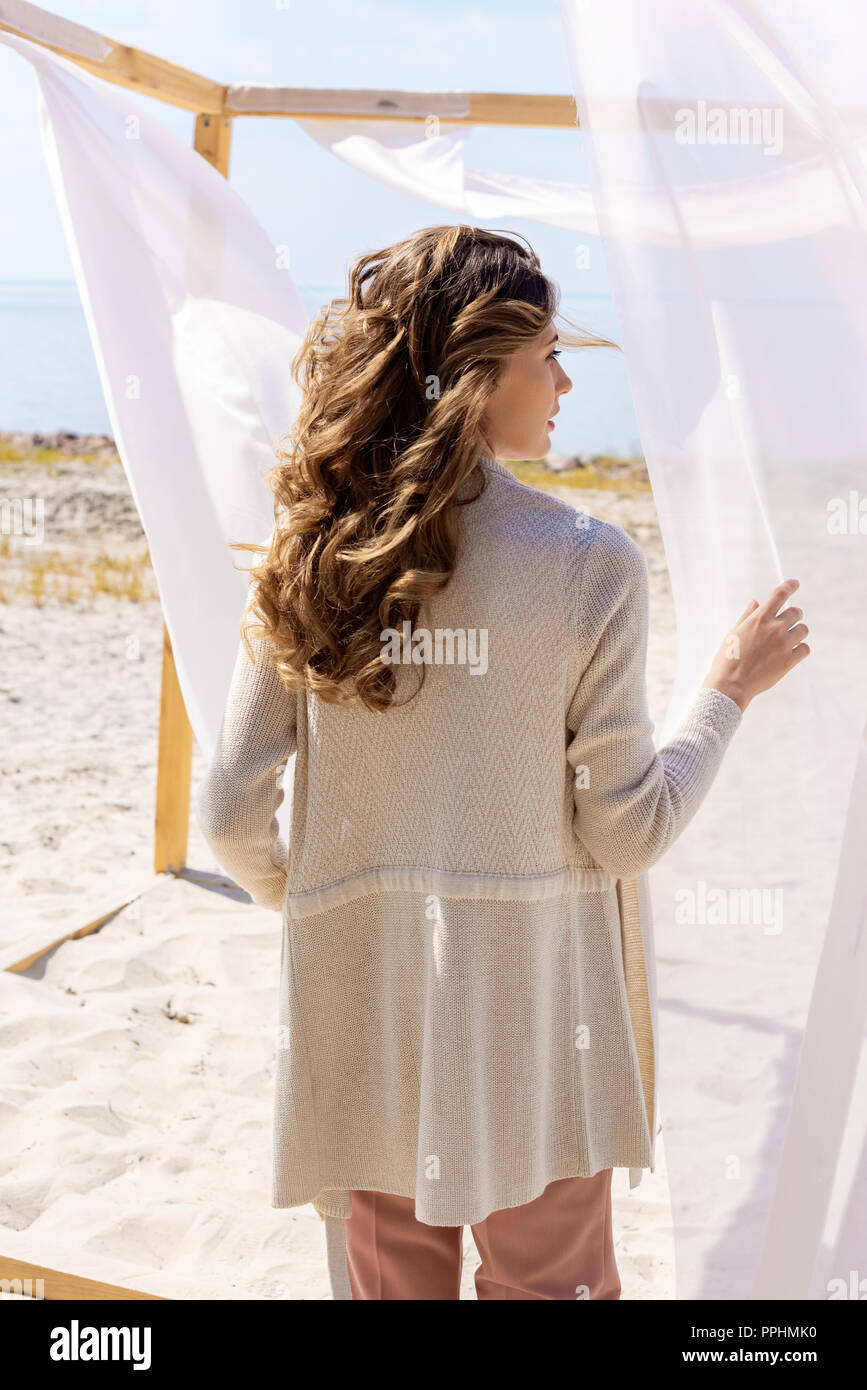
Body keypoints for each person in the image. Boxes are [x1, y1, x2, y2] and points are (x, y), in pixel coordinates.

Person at [196, 224, 810, 1300]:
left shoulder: (307, 554)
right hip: (539, 1032)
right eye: (548, 357)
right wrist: (727, 693)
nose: (567, 382)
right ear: (478, 379)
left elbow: (231, 809)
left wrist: (336, 901)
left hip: (368, 1024)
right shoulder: (586, 564)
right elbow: (627, 832)